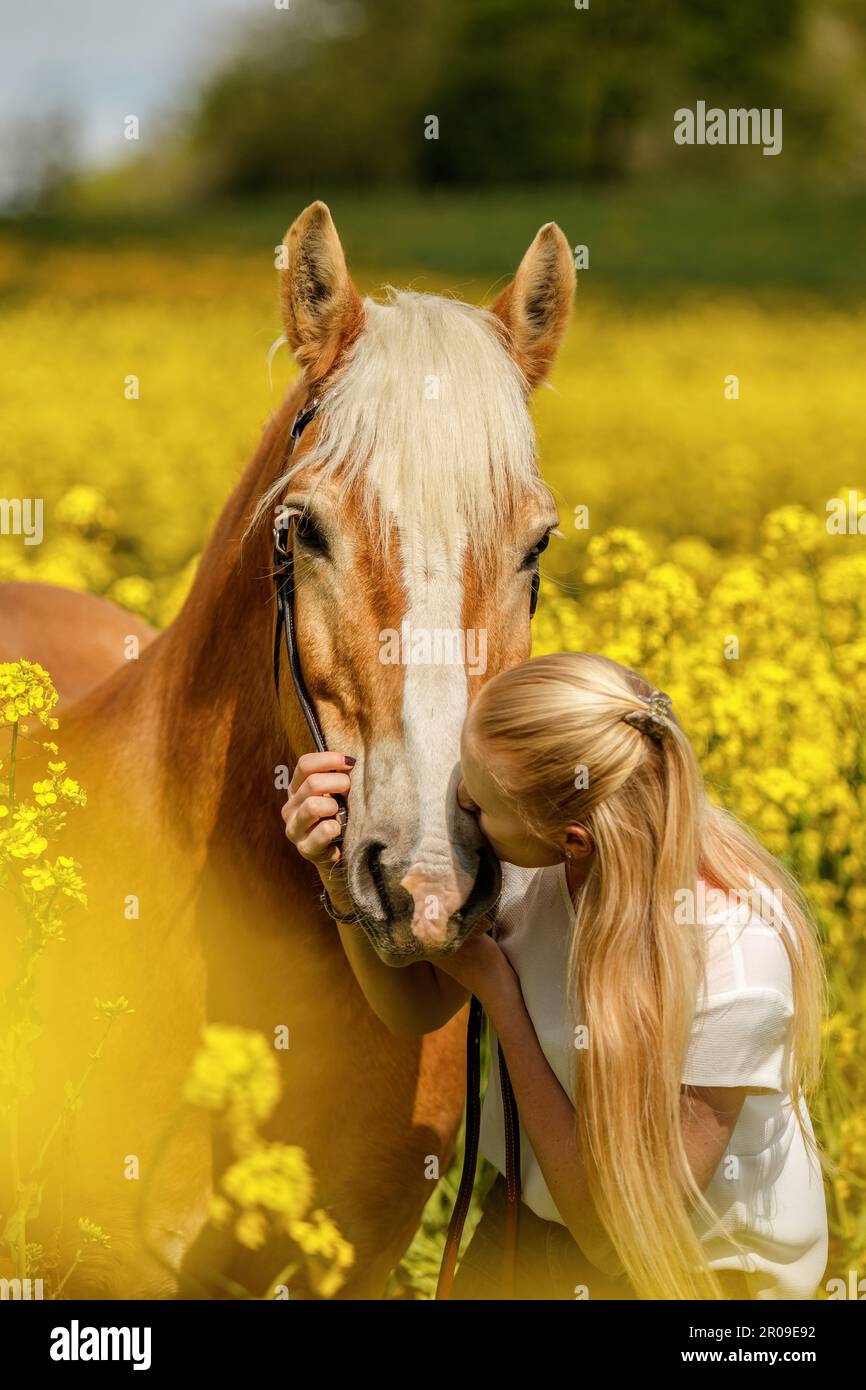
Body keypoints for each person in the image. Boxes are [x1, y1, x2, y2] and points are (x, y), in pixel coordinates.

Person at [282, 652, 829, 1300]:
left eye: (478, 805)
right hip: (525, 1219)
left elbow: (617, 1237)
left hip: (696, 1277)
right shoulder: (524, 857)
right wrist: (335, 868)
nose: (458, 804)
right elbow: (416, 1009)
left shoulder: (738, 967)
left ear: (573, 841)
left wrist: (500, 995)